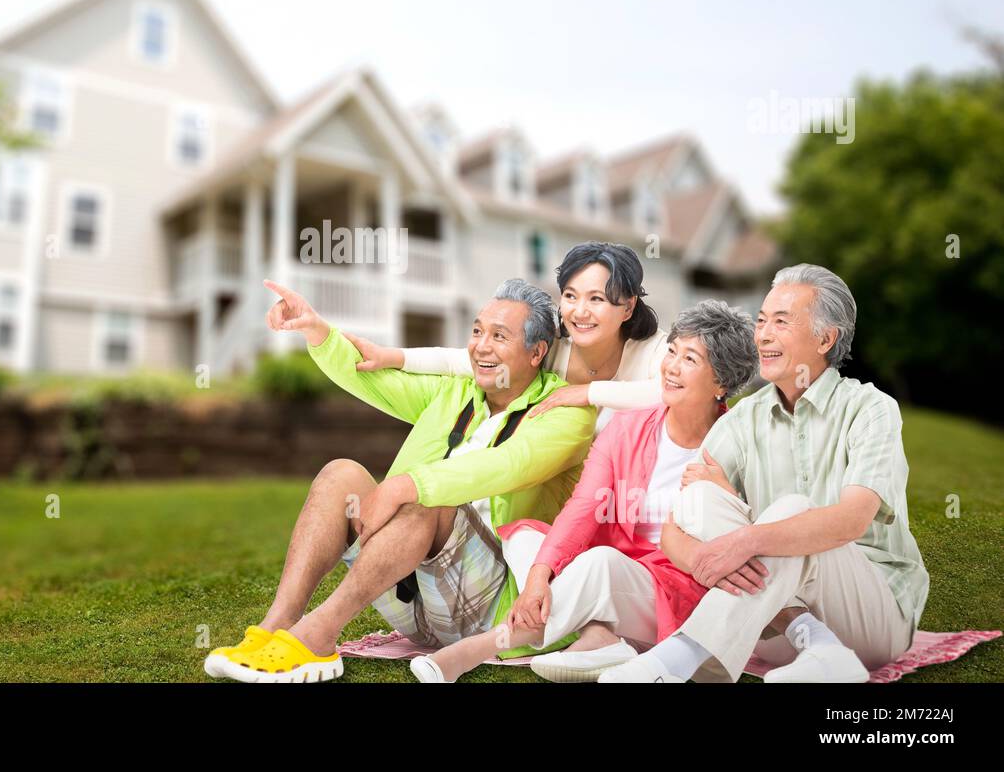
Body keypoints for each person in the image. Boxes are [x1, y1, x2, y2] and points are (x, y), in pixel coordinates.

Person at [205, 277, 596, 683]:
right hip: (412, 595)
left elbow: (508, 464)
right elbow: (370, 377)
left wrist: (404, 485)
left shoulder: (566, 410)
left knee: (434, 497)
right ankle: (277, 626)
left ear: (537, 352)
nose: (481, 346)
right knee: (341, 474)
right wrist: (316, 330)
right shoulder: (455, 392)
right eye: (477, 331)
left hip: (488, 611)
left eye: (500, 336)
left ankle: (318, 635)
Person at [599, 264, 929, 683]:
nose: (764, 335)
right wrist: (701, 558)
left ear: (826, 338)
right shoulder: (743, 419)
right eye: (761, 320)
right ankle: (821, 646)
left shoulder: (870, 409)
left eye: (781, 322)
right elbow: (675, 528)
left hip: (869, 618)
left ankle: (678, 659)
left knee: (792, 509)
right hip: (770, 618)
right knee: (701, 498)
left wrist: (746, 538)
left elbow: (852, 519)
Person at [408, 300, 759, 682]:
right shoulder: (628, 428)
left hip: (678, 588)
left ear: (721, 382)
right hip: (612, 569)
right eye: (672, 350)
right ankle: (600, 636)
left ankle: (475, 651)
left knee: (600, 565)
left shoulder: (738, 445)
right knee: (526, 537)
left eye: (691, 359)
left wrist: (725, 489)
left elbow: (751, 528)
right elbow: (583, 507)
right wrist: (540, 577)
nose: (671, 367)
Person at [346, 241, 668, 434]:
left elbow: (672, 393)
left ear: (627, 307)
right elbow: (459, 360)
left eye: (596, 299)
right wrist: (392, 357)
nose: (579, 312)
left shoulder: (654, 350)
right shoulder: (550, 349)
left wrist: (586, 393)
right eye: (570, 296)